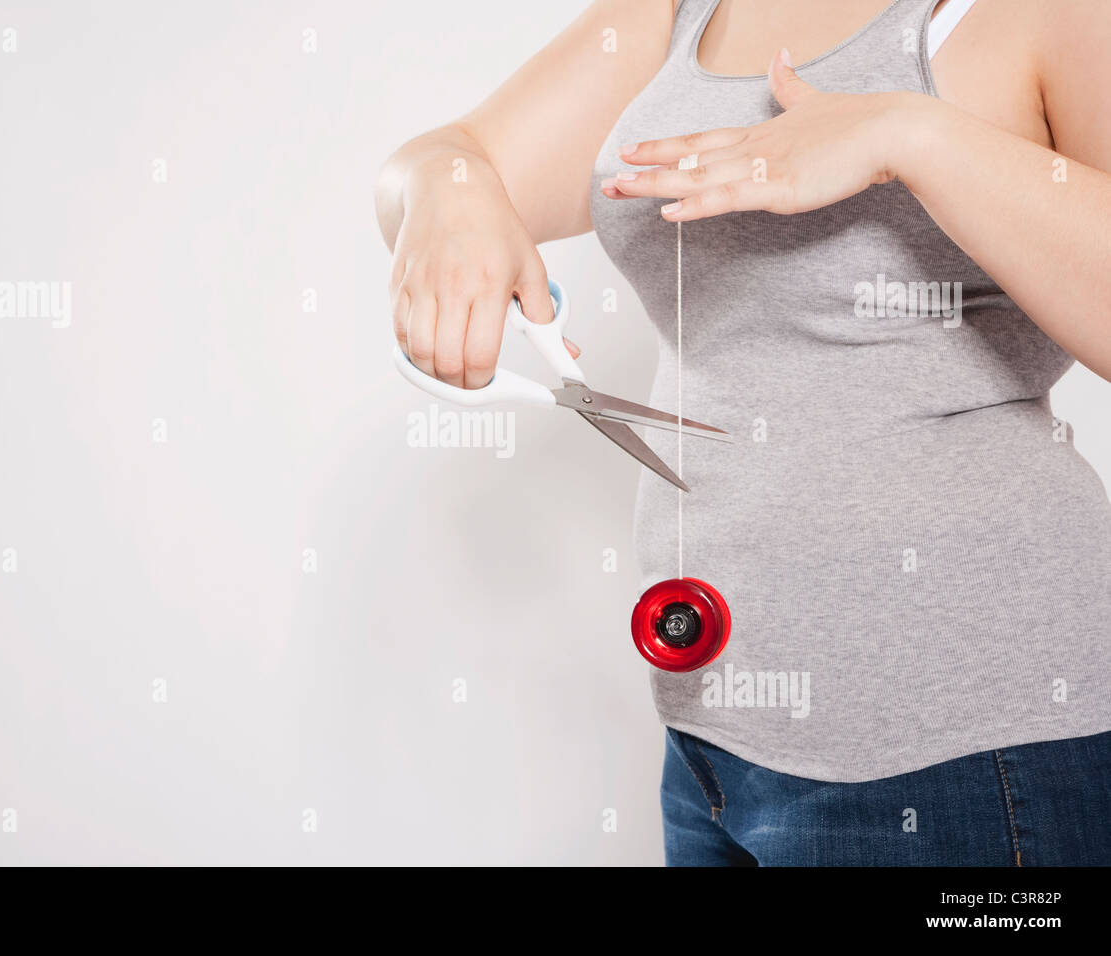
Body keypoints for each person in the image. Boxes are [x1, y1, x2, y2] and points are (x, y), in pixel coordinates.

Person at [373, 0, 1111, 866]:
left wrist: (908, 137)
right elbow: (449, 156)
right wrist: (448, 194)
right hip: (712, 742)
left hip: (968, 748)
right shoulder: (678, 14)